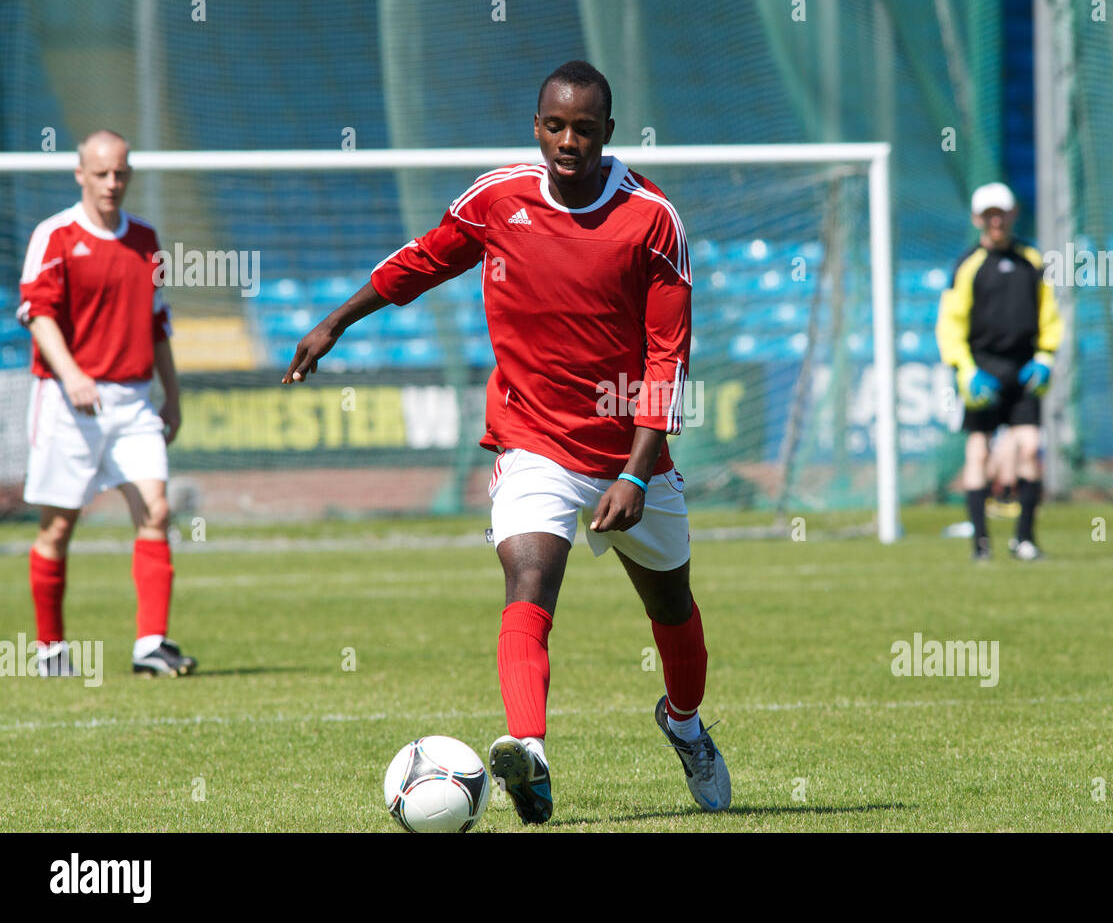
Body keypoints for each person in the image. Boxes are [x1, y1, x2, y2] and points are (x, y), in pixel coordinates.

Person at [283, 60, 729, 824]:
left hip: (631, 451)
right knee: (529, 580)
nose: (567, 142)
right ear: (536, 125)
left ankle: (684, 723)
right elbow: (423, 261)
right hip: (532, 440)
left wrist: (637, 471)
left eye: (583, 130)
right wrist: (335, 321)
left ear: (607, 134)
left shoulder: (652, 219)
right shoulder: (498, 199)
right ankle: (530, 750)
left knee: (674, 606)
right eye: (554, 126)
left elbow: (668, 355)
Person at [17, 129, 195, 676]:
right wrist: (71, 374)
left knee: (156, 510)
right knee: (58, 528)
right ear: (80, 175)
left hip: (134, 400)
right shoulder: (55, 235)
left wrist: (172, 395)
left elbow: (157, 322)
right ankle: (50, 651)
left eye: (120, 172)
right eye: (101, 173)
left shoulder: (145, 239)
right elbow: (38, 313)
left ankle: (150, 647)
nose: (111, 183)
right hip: (70, 403)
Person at [937, 182, 1062, 561]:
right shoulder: (968, 265)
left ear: (1012, 215)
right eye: (989, 214)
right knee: (978, 452)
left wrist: (1045, 356)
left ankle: (1024, 539)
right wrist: (965, 369)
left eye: (1001, 213)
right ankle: (980, 543)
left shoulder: (1032, 260)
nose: (996, 220)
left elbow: (1050, 316)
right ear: (978, 219)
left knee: (1028, 449)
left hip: (1025, 367)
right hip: (983, 367)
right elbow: (950, 324)